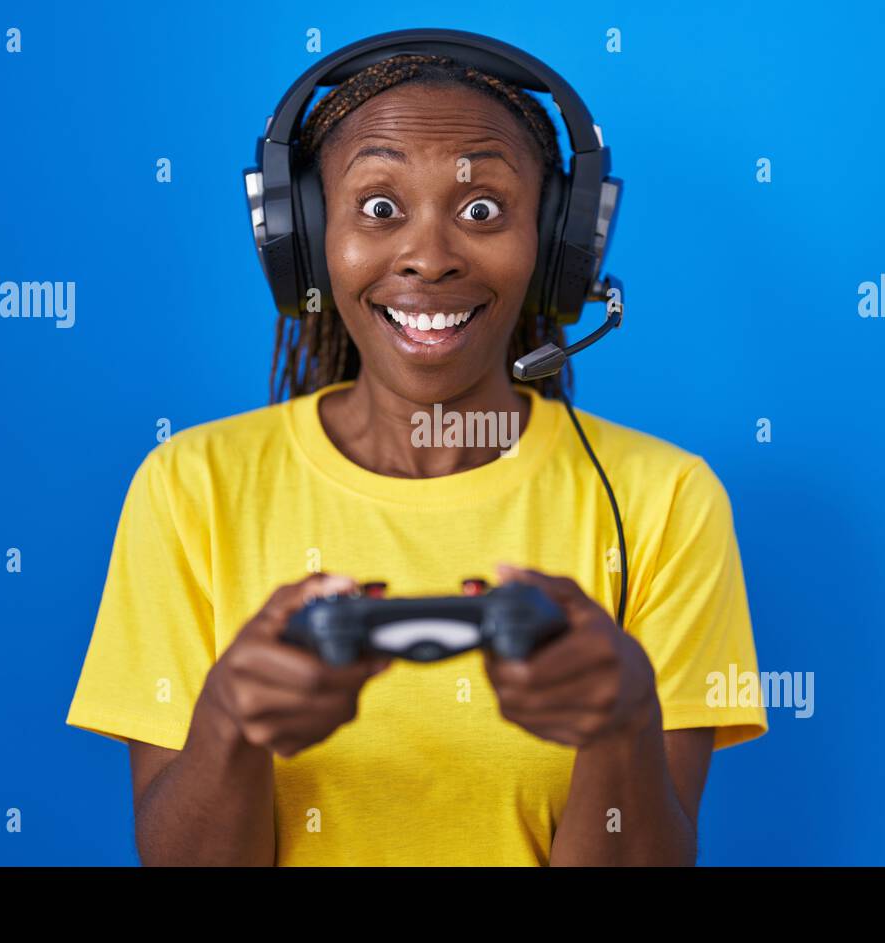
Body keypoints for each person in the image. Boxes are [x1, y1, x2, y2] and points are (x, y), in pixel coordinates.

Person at [66, 52, 767, 866]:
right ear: (303, 240)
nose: (429, 257)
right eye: (378, 207)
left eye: (482, 209)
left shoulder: (665, 500)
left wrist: (623, 724)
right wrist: (231, 722)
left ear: (559, 246)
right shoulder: (189, 487)